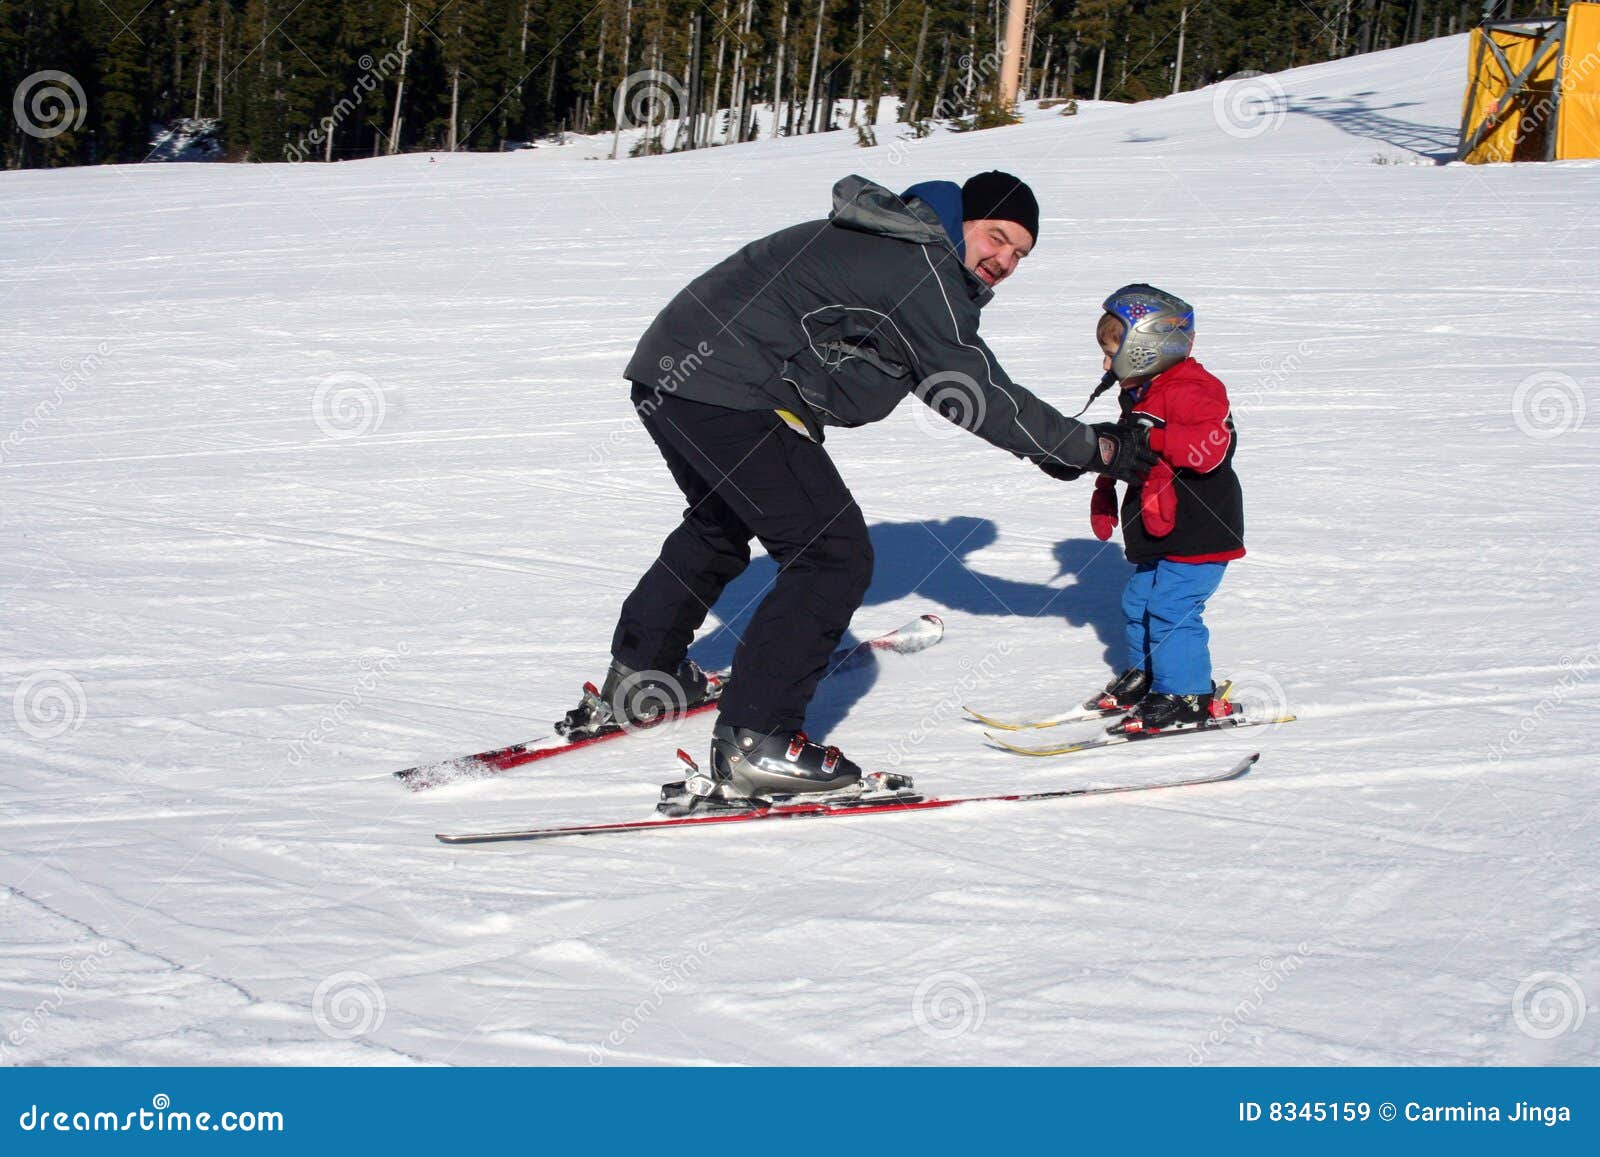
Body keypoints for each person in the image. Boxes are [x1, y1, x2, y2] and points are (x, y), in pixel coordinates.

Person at [561, 171, 1155, 804]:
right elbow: (972, 384)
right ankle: (758, 742)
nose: (1004, 261)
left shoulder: (896, 244)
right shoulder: (921, 264)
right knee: (830, 552)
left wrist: (1050, 449)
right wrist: (1095, 448)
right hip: (729, 389)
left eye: (1020, 255)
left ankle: (643, 676)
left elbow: (938, 380)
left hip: (672, 374)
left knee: (719, 522)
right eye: (998, 237)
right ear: (962, 221)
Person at [1080, 284, 1246, 734]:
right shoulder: (1141, 393)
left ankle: (1186, 692)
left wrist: (1152, 438)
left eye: (1111, 351)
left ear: (1145, 350)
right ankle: (1153, 675)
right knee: (1139, 600)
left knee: (1172, 606)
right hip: (1156, 526)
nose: (1105, 363)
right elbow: (1127, 452)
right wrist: (1104, 492)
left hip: (1199, 526)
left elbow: (1209, 451)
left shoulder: (1194, 389)